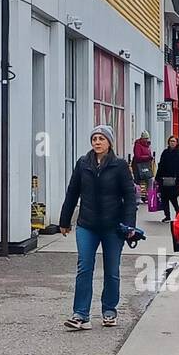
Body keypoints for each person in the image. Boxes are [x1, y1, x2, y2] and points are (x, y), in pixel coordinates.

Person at [59, 125, 138, 331]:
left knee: (112, 270)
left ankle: (109, 310)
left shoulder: (120, 165)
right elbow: (72, 192)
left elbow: (130, 197)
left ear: (109, 142)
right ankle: (81, 315)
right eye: (94, 138)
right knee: (84, 267)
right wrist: (64, 220)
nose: (97, 142)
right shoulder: (83, 163)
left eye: (101, 138)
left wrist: (130, 225)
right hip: (87, 225)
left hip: (113, 227)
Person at [156, 134, 179, 223]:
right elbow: (161, 165)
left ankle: (178, 211)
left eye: (174, 141)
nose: (172, 143)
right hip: (163, 178)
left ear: (177, 143)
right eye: (171, 141)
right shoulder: (165, 152)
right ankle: (167, 216)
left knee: (173, 198)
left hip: (174, 179)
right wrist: (157, 177)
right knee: (164, 198)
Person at [131, 130, 154, 200]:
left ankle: (149, 196)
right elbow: (138, 156)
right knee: (137, 181)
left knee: (150, 179)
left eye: (147, 138)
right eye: (145, 138)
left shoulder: (147, 145)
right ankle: (137, 197)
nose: (146, 140)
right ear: (142, 138)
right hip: (137, 166)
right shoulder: (138, 145)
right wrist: (148, 157)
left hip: (146, 165)